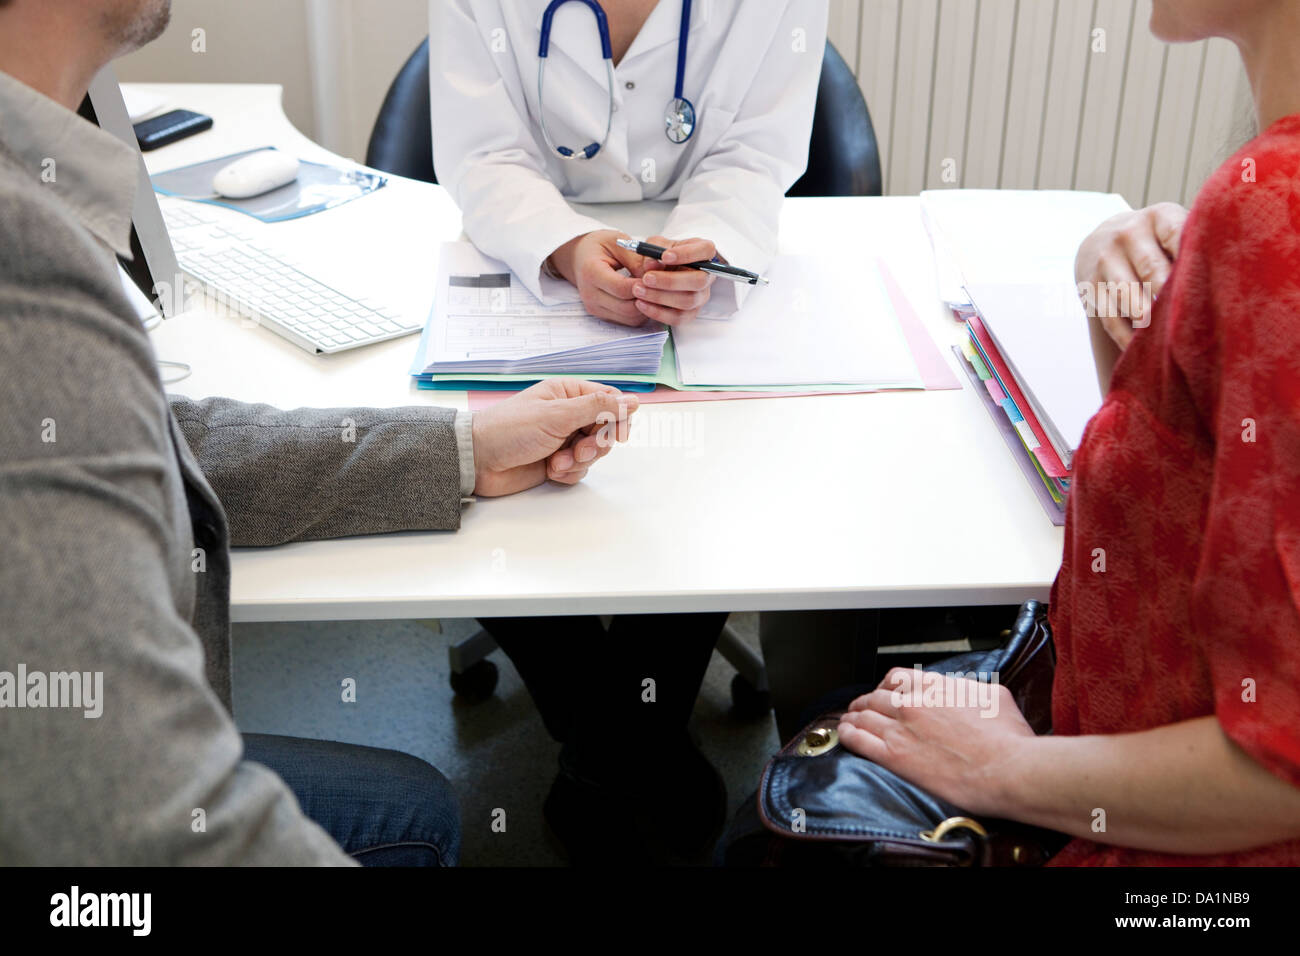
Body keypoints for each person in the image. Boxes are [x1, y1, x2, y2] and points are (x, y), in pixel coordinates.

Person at [0, 0, 638, 865]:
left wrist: (463, 450)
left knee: (412, 801)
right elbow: (125, 822)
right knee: (411, 816)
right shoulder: (24, 264)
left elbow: (169, 444)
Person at [824, 0, 1300, 863]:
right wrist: (1110, 270)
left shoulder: (1274, 218)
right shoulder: (1254, 199)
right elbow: (1177, 502)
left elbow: (1283, 764)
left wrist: (1005, 770)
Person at [429, 0, 827, 862]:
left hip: (701, 304)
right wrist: (566, 245)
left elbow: (754, 151)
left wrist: (701, 254)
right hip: (518, 282)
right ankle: (632, 749)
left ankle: (602, 754)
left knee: (707, 481)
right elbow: (483, 152)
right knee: (504, 461)